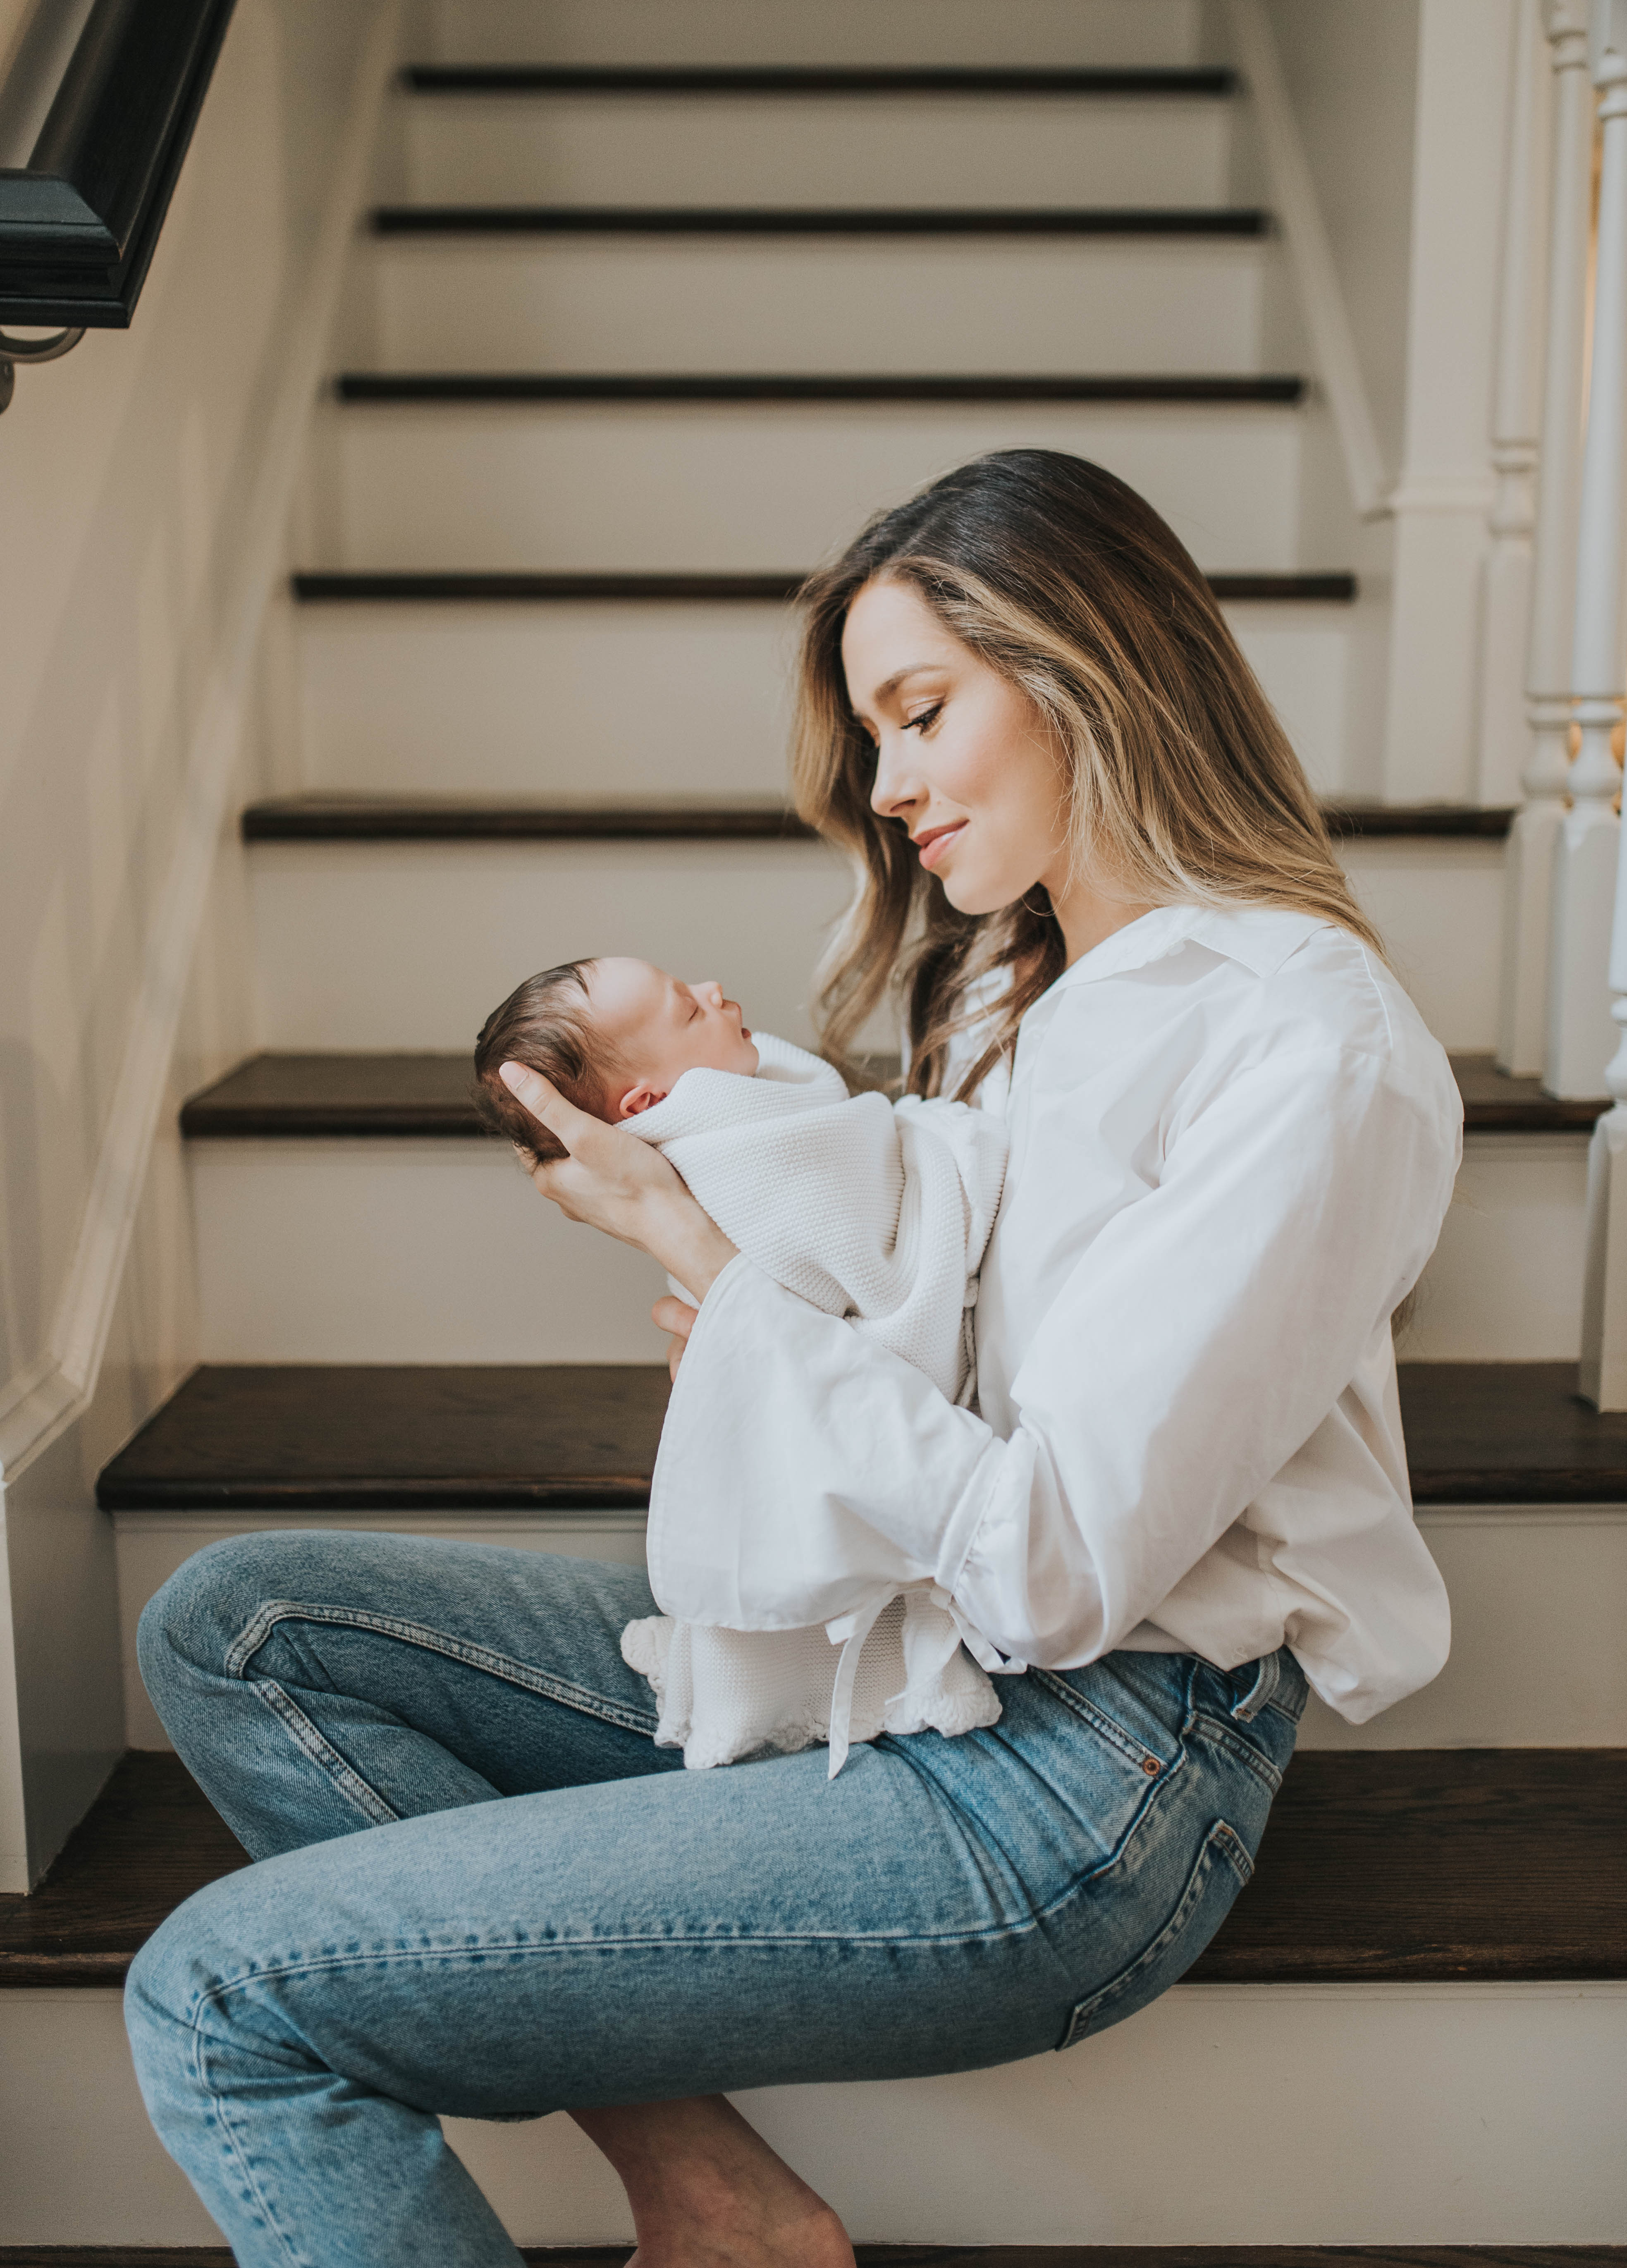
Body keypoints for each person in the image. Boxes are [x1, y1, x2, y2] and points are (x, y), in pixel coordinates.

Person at [125, 449, 1460, 2268]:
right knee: (235, 1624)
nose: (894, 787)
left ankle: (704, 2191)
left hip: (1080, 1784)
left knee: (221, 1992)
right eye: (874, 737)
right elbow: (942, 1385)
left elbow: (1048, 1568)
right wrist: (775, 1329)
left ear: (1095, 663)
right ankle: (711, 2185)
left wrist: (718, 1281)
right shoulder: (1018, 992)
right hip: (900, 1664)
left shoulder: (1302, 1044)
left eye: (923, 714)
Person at [473, 956, 1009, 1772]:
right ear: (647, 1106)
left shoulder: (758, 1126)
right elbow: (849, 1258)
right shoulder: (738, 1160)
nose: (715, 990)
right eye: (687, 1009)